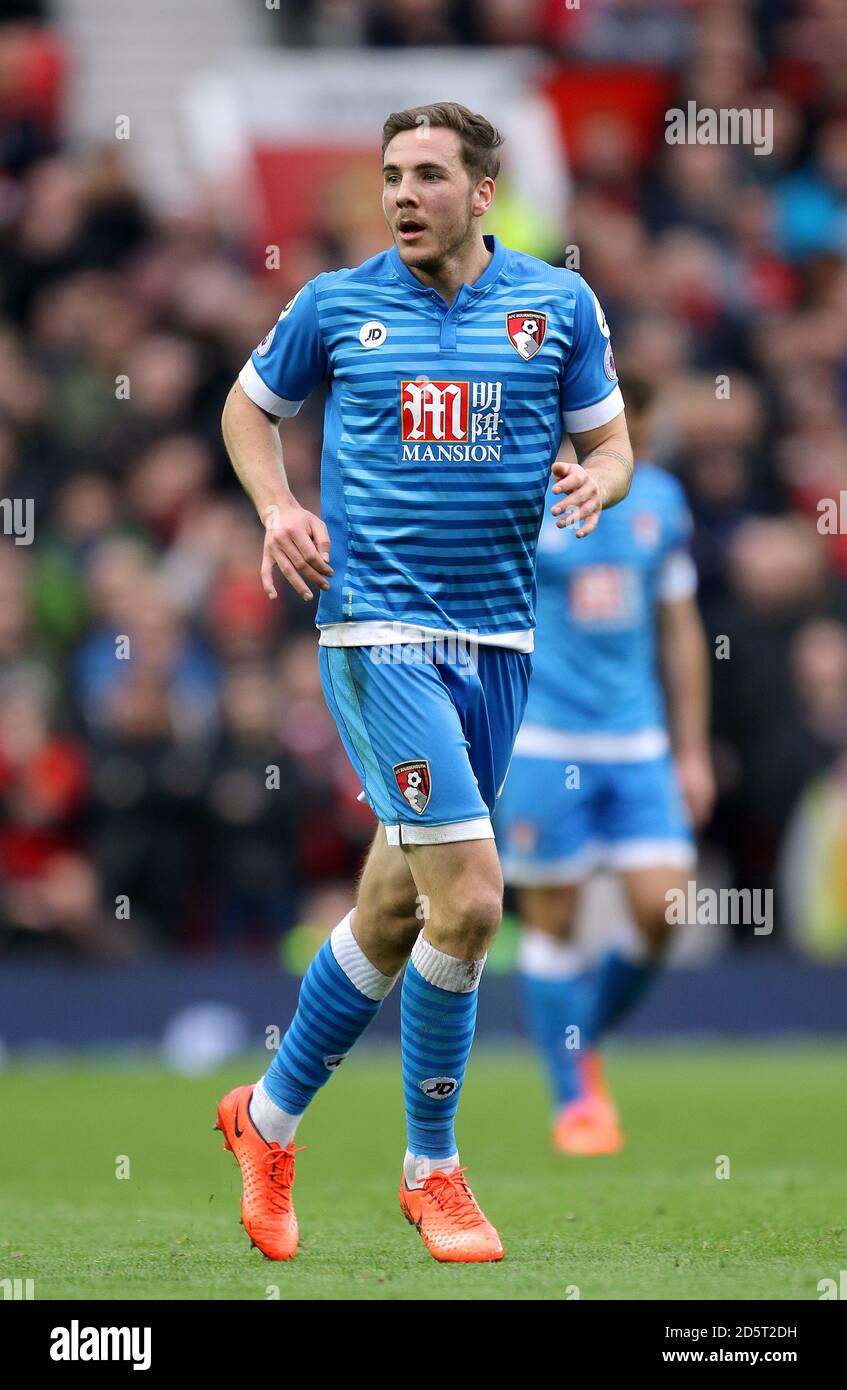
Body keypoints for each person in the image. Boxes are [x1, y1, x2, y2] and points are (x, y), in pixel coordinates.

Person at [217, 101, 633, 1263]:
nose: (403, 194)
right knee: (473, 898)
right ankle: (433, 1170)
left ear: (482, 191)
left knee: (398, 908)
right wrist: (278, 505)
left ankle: (265, 1118)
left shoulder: (556, 307)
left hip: (499, 645)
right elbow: (248, 409)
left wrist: (600, 478)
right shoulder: (337, 305)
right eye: (392, 174)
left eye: (429, 176)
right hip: (377, 637)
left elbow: (613, 441)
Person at [496, 373, 715, 1155]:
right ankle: (574, 1103)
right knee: (551, 920)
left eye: (643, 432)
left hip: (637, 741)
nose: (634, 446)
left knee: (664, 910)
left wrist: (691, 748)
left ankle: (575, 1039)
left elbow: (680, 628)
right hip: (545, 738)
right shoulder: (529, 493)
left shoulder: (659, 501)